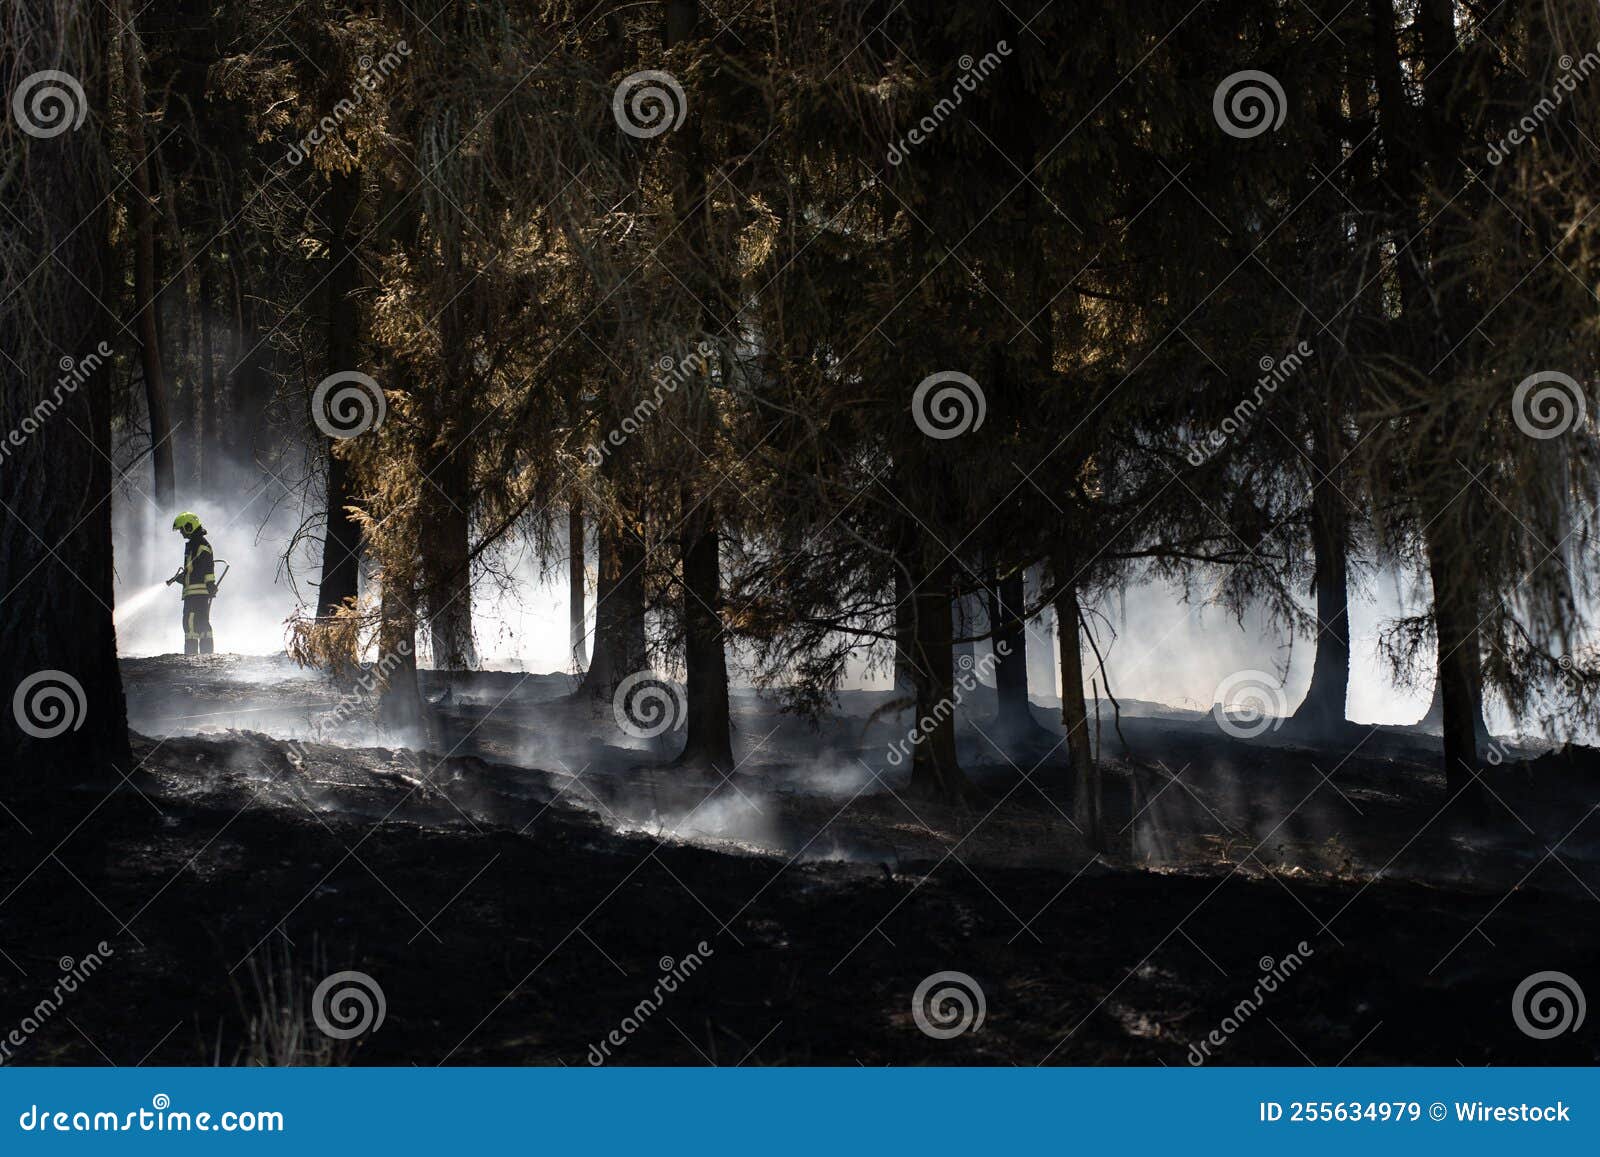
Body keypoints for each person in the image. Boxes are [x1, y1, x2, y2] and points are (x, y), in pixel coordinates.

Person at [168, 512, 217, 655]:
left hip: (196, 593)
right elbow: (193, 569)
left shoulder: (201, 545)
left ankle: (191, 657)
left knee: (190, 624)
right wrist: (183, 578)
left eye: (182, 529)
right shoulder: (195, 545)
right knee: (202, 623)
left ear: (189, 526)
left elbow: (208, 567)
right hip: (196, 593)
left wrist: (210, 584)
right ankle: (207, 656)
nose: (182, 533)